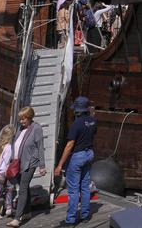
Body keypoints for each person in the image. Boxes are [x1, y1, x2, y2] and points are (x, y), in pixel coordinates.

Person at [54, 96, 97, 225]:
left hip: (77, 156)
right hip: (89, 153)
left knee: (73, 190)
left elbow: (69, 145)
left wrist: (59, 165)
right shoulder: (93, 121)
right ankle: (85, 215)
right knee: (84, 186)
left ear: (78, 110)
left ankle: (70, 219)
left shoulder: (76, 124)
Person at [8, 106, 45, 227]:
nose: (21, 121)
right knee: (25, 186)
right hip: (18, 162)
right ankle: (28, 212)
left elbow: (40, 147)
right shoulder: (20, 128)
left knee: (22, 188)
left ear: (29, 117)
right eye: (20, 119)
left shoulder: (36, 128)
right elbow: (15, 143)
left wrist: (42, 165)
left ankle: (17, 218)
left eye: (24, 119)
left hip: (30, 162)